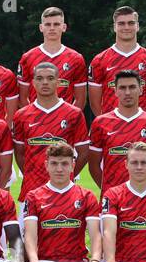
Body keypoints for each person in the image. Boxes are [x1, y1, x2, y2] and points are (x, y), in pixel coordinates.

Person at [21, 142, 104, 262]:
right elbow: (30, 236)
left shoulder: (86, 196)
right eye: (54, 164)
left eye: (64, 164)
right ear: (46, 165)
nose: (59, 169)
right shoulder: (34, 196)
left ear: (72, 165)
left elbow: (96, 235)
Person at [11, 62, 89, 202]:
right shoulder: (21, 115)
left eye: (50, 78)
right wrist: (32, 175)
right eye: (40, 79)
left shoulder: (74, 114)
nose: (45, 82)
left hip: (64, 192)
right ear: (33, 83)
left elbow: (84, 153)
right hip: (30, 191)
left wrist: (66, 174)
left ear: (58, 82)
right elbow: (19, 153)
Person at [87, 6, 146, 115]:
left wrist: (144, 123)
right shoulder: (99, 60)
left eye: (131, 23)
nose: (126, 27)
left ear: (137, 26)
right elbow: (95, 103)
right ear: (114, 27)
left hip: (141, 128)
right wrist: (106, 124)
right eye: (121, 23)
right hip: (111, 128)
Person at [16, 6, 87, 108]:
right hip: (36, 121)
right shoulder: (28, 57)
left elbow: (80, 99)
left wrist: (68, 118)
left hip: (64, 121)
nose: (52, 28)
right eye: (48, 24)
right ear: (41, 27)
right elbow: (22, 98)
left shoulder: (76, 58)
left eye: (56, 24)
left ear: (64, 27)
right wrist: (33, 117)